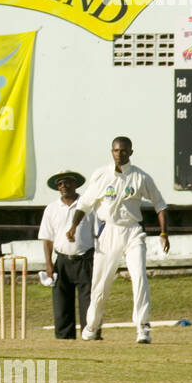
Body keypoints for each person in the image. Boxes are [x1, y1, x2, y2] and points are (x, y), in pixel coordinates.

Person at [66, 137, 170, 344]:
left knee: (139, 276)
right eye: (115, 151)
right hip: (108, 233)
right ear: (111, 151)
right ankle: (92, 326)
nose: (119, 154)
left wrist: (164, 233)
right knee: (100, 284)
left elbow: (160, 204)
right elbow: (85, 204)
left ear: (130, 152)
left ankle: (142, 327)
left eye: (123, 151)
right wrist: (73, 226)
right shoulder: (101, 175)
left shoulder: (141, 177)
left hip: (133, 232)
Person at [38, 169, 96, 339]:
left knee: (89, 301)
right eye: (60, 184)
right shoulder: (51, 209)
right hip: (62, 260)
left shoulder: (87, 205)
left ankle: (90, 333)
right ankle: (64, 337)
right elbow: (47, 239)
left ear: (76, 184)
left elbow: (98, 233)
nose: (64, 186)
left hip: (85, 259)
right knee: (61, 303)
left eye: (67, 182)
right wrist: (49, 264)